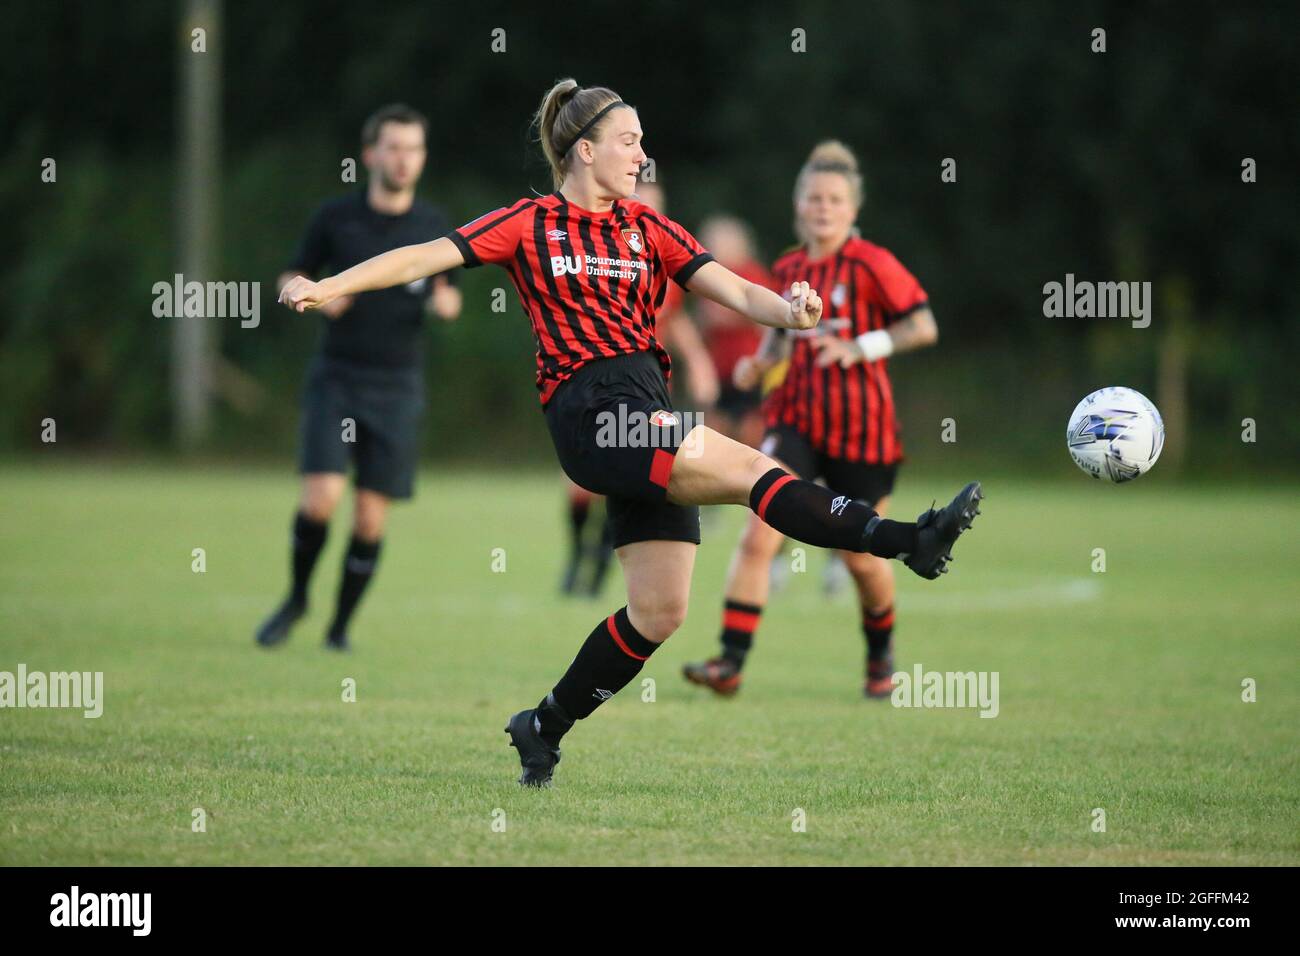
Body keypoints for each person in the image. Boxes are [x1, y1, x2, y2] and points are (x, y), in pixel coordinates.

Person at [279, 81, 981, 787]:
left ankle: (541, 726)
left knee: (660, 610)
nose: (642, 154)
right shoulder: (531, 222)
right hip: (591, 409)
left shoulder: (649, 228)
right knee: (750, 473)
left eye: (642, 141)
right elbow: (421, 256)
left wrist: (790, 311)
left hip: (646, 404)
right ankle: (910, 541)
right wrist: (331, 285)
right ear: (584, 151)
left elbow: (734, 290)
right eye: (628, 140)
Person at [683, 141, 940, 698]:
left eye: (834, 199)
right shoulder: (790, 266)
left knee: (858, 558)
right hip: (795, 421)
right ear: (799, 205)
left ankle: (879, 661)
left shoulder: (873, 264)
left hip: (862, 434)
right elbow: (780, 334)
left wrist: (862, 347)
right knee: (759, 534)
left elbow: (922, 325)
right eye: (813, 198)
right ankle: (729, 663)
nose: (823, 207)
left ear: (853, 209)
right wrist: (760, 363)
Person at [255, 104, 461, 652]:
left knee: (370, 517)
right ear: (371, 155)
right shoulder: (336, 217)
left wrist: (447, 304)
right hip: (339, 376)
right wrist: (315, 296)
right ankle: (297, 597)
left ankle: (339, 627)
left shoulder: (434, 228)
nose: (403, 159)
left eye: (413, 148)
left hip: (397, 385)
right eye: (393, 147)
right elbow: (290, 273)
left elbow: (450, 293)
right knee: (321, 496)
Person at [560, 179, 718, 597]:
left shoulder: (663, 265)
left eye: (655, 210)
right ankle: (578, 553)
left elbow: (677, 320)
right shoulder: (594, 258)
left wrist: (699, 361)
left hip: (644, 397)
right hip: (592, 391)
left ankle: (596, 567)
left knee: (627, 485)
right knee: (579, 488)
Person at [694, 215, 773, 449]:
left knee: (750, 427)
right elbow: (704, 321)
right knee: (717, 426)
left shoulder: (750, 273)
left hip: (748, 366)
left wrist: (727, 316)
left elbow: (764, 318)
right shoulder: (707, 278)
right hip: (722, 368)